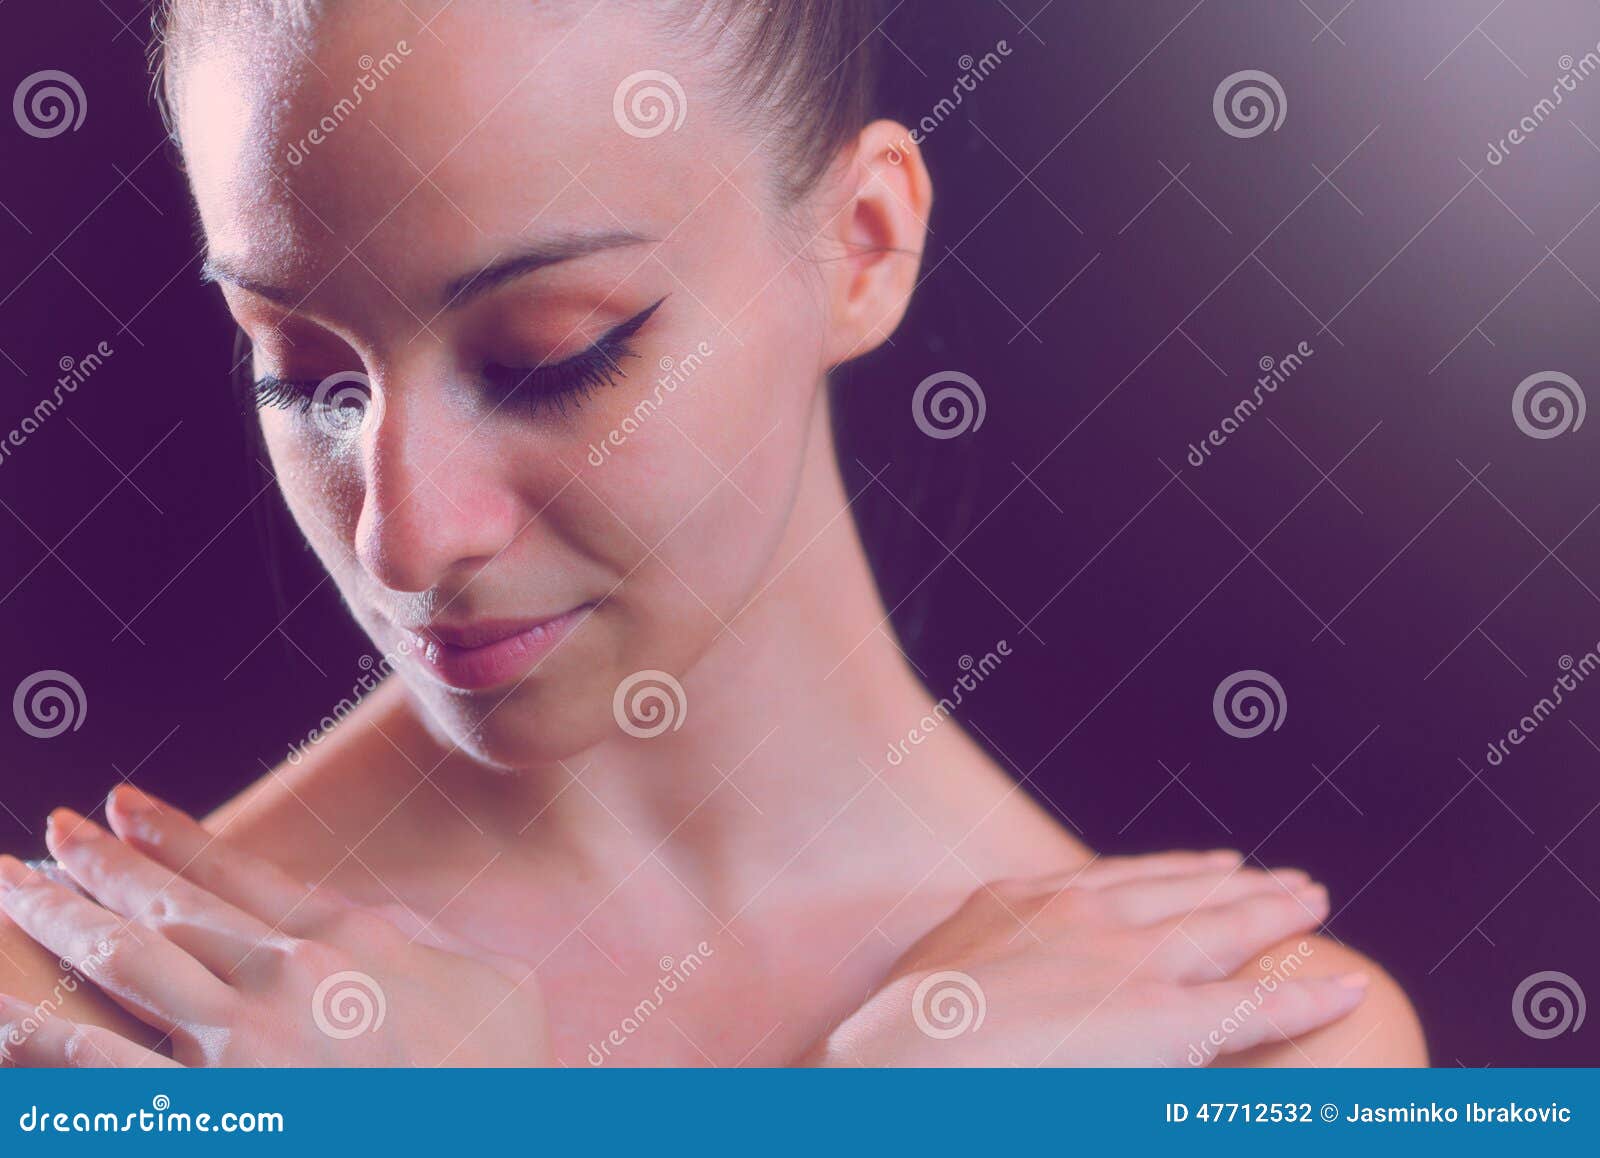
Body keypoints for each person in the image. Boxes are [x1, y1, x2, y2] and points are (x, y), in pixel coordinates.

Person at [0, 0, 1425, 1068]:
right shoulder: (84, 1018)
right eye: (305, 375)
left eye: (554, 356)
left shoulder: (1264, 1047)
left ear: (860, 243)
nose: (406, 538)